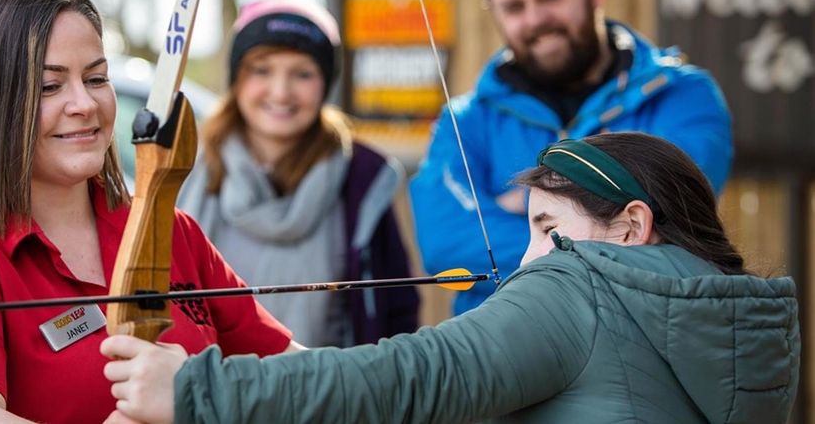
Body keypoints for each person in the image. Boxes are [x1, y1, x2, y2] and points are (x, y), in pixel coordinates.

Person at [102, 132, 799, 424]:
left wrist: (196, 391)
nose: (531, 260)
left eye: (549, 230)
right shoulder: (735, 330)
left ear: (631, 227)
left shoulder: (581, 288)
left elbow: (411, 378)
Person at [0, 0, 302, 424]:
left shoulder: (170, 230)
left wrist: (379, 376)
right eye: (50, 86)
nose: (84, 103)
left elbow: (291, 370)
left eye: (96, 78)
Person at [409, 0, 734, 316]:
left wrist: (524, 202)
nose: (535, 20)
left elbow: (667, 220)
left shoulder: (680, 95)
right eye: (514, 6)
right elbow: (445, 243)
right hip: (504, 357)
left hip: (638, 351)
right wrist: (592, 212)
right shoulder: (463, 123)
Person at [175, 0, 420, 348]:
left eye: (302, 73)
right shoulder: (185, 165)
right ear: (237, 78)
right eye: (262, 70)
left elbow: (397, 313)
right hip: (210, 396)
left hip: (328, 397)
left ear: (325, 84)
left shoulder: (362, 180)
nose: (281, 91)